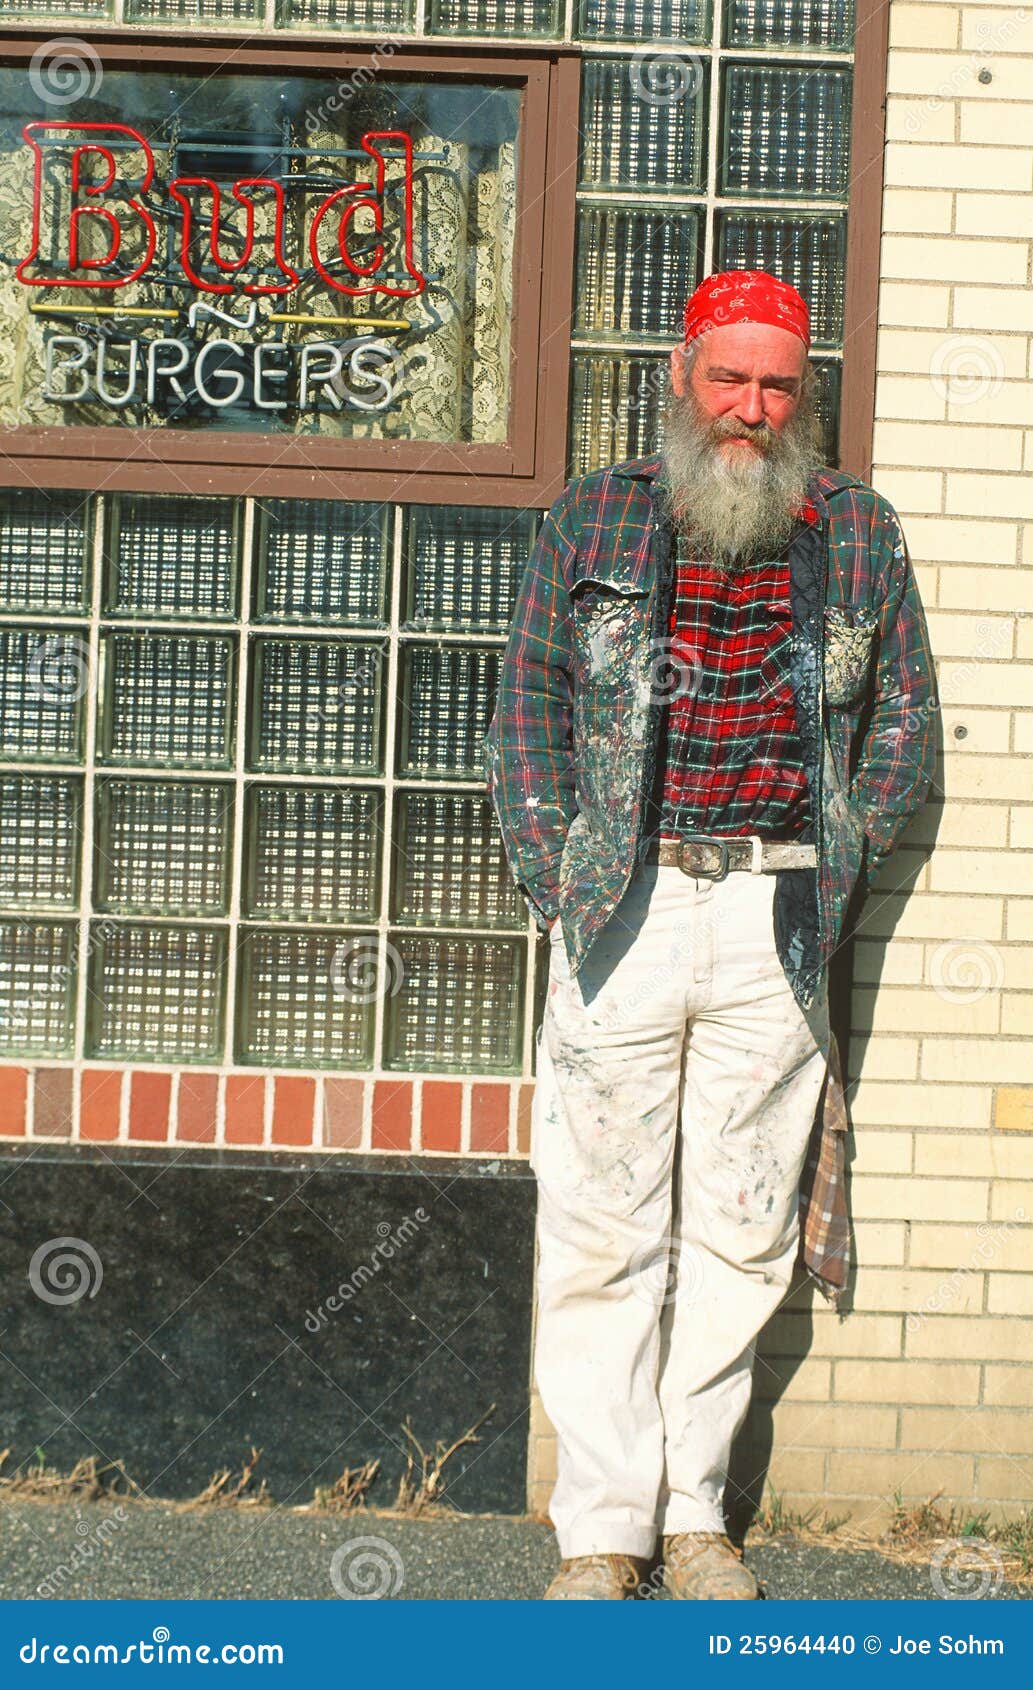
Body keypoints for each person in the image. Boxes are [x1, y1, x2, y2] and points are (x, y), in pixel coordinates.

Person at [481, 270, 936, 1600]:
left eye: (777, 385)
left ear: (805, 397)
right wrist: (555, 869)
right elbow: (527, 707)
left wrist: (843, 853)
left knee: (740, 1226)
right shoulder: (593, 513)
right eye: (728, 377)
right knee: (599, 1222)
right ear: (681, 376)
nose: (750, 407)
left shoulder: (858, 529)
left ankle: (693, 1518)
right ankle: (600, 1529)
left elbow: (903, 718)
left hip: (773, 911)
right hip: (618, 906)